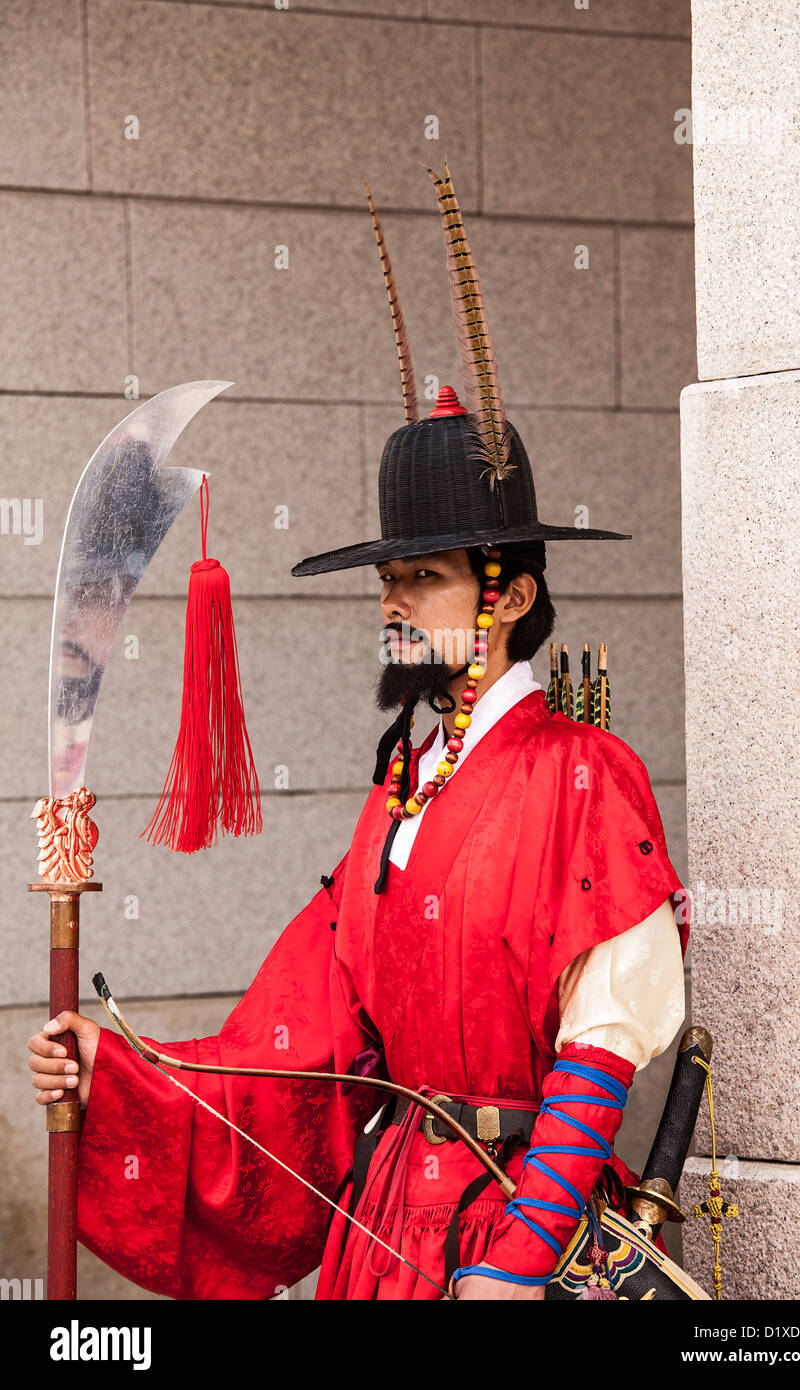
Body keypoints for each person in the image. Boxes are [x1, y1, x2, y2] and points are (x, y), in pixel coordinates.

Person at [26, 163, 689, 1301]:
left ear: (510, 597)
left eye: (421, 579)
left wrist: (517, 1266)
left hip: (521, 1231)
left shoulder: (583, 772)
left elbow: (600, 1047)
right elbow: (293, 1051)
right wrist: (118, 1073)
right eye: (388, 578)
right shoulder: (401, 791)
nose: (391, 602)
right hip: (385, 1233)